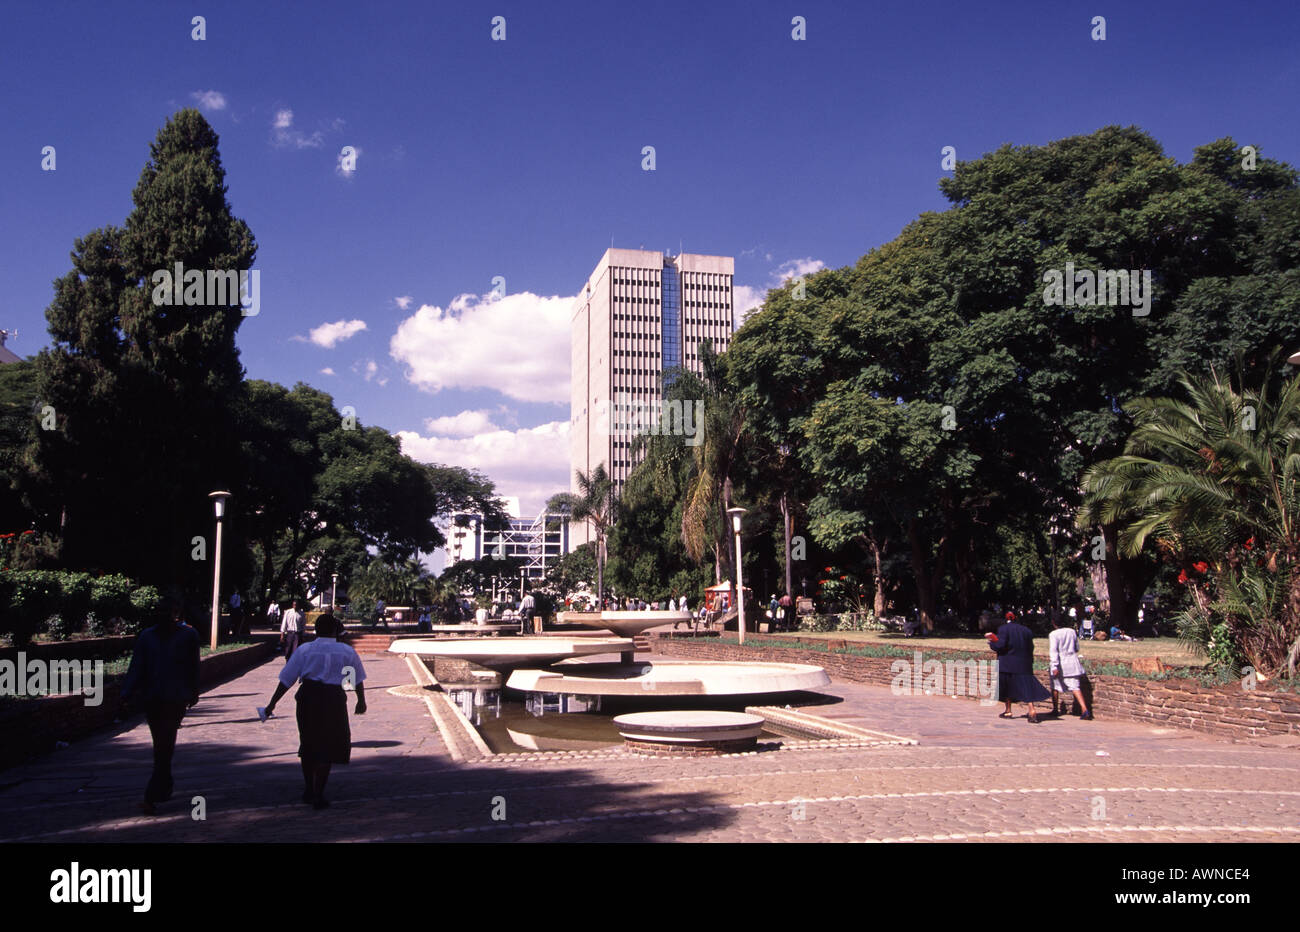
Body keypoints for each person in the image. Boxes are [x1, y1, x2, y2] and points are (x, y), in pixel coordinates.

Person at [264, 613, 366, 809]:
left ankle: (309, 789)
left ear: (315, 630)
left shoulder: (304, 650)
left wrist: (272, 704)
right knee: (328, 745)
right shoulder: (346, 651)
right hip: (334, 699)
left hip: (308, 698)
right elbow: (354, 680)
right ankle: (319, 793)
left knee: (308, 742)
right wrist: (360, 700)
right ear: (336, 630)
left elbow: (286, 680)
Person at [118, 598, 201, 815]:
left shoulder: (188, 636)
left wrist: (193, 692)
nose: (164, 615)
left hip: (175, 699)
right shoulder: (147, 637)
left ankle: (152, 794)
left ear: (175, 612)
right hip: (153, 698)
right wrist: (126, 693)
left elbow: (194, 666)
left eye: (168, 611)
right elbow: (136, 666)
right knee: (162, 745)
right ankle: (164, 785)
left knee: (165, 744)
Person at [987, 611, 1051, 722]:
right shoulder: (1027, 631)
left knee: (1007, 688)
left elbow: (1000, 645)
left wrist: (992, 643)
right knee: (1027, 688)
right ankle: (1032, 709)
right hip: (1024, 664)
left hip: (1007, 663)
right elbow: (1031, 648)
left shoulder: (1003, 629)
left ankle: (1008, 710)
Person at [1049, 615, 1093, 720]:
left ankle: (1055, 709)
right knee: (1075, 687)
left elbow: (1053, 650)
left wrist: (1054, 665)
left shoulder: (1053, 634)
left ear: (1054, 623)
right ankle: (1084, 709)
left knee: (1055, 686)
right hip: (1073, 662)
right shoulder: (1072, 632)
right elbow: (1076, 647)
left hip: (1061, 663)